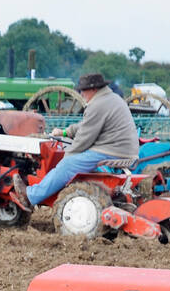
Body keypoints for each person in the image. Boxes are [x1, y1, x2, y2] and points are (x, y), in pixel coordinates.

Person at [12, 72, 139, 210]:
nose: (81, 93)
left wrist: (65, 160)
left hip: (112, 151)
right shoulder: (111, 98)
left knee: (68, 164)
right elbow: (87, 125)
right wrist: (65, 132)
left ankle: (31, 196)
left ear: (94, 89)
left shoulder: (98, 105)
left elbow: (84, 139)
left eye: (83, 90)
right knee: (70, 160)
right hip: (120, 149)